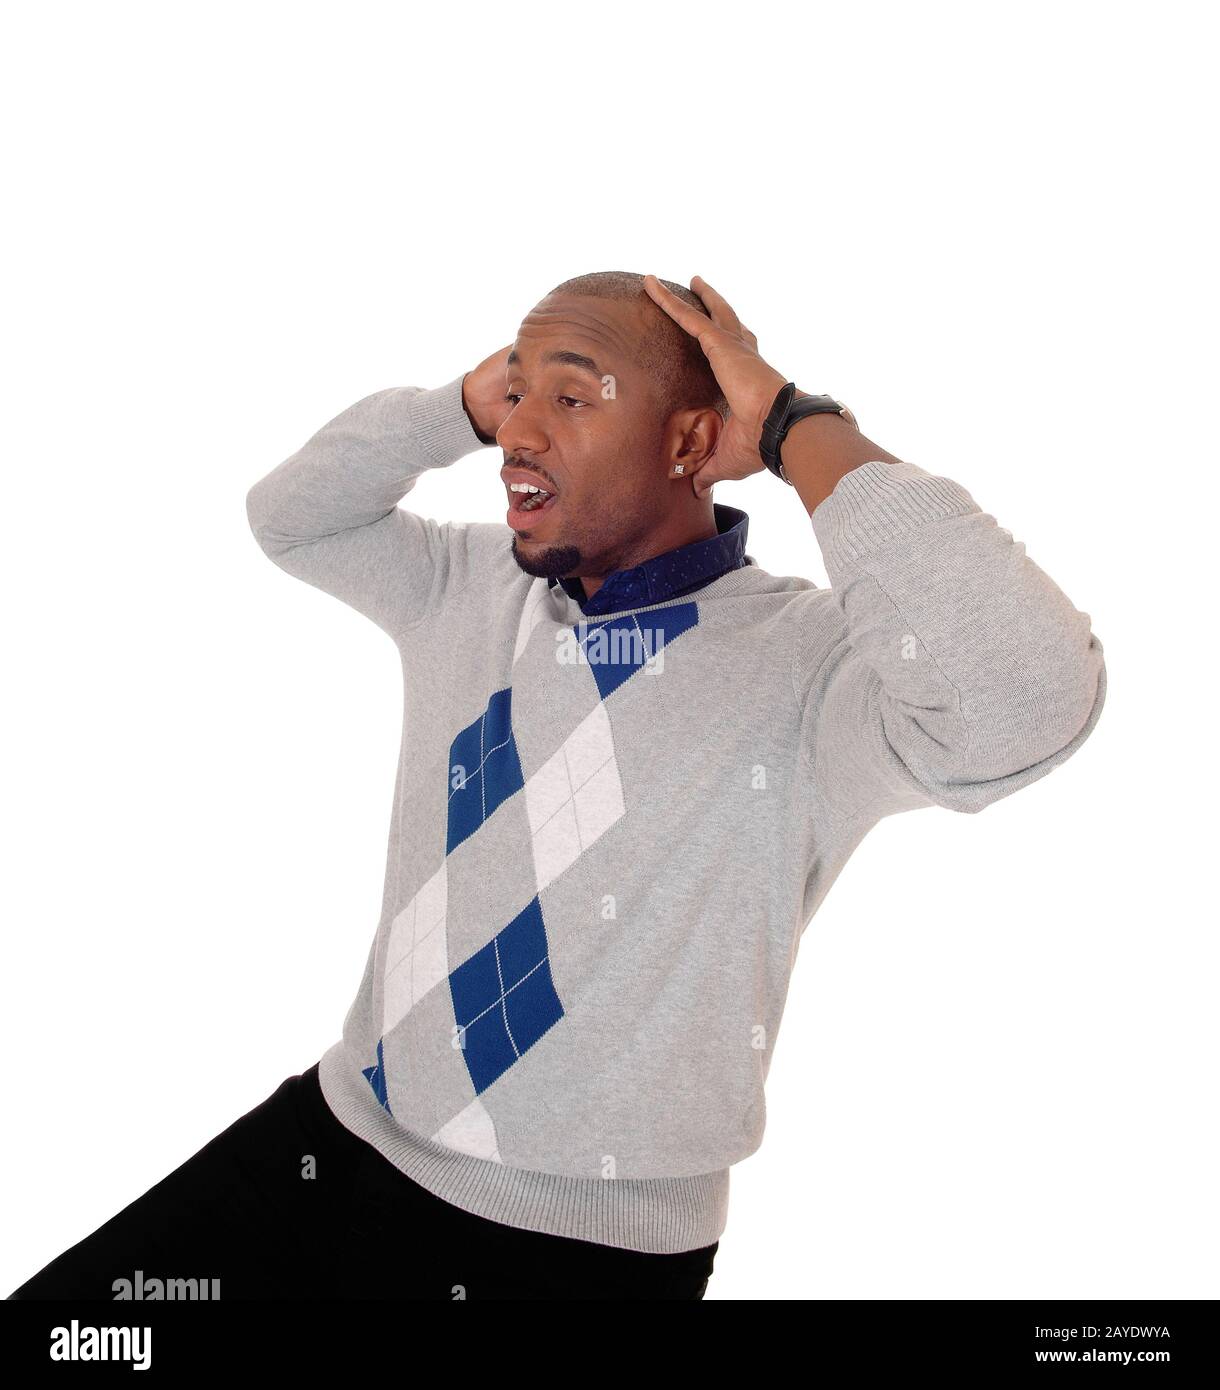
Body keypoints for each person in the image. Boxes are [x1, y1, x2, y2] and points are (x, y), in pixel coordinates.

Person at [9, 270, 1106, 1301]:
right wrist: (460, 406)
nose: (518, 432)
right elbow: (291, 516)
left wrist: (787, 423)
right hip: (335, 1140)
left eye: (574, 396)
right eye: (516, 392)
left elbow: (1028, 696)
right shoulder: (467, 583)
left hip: (574, 1253)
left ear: (689, 439)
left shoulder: (813, 674)